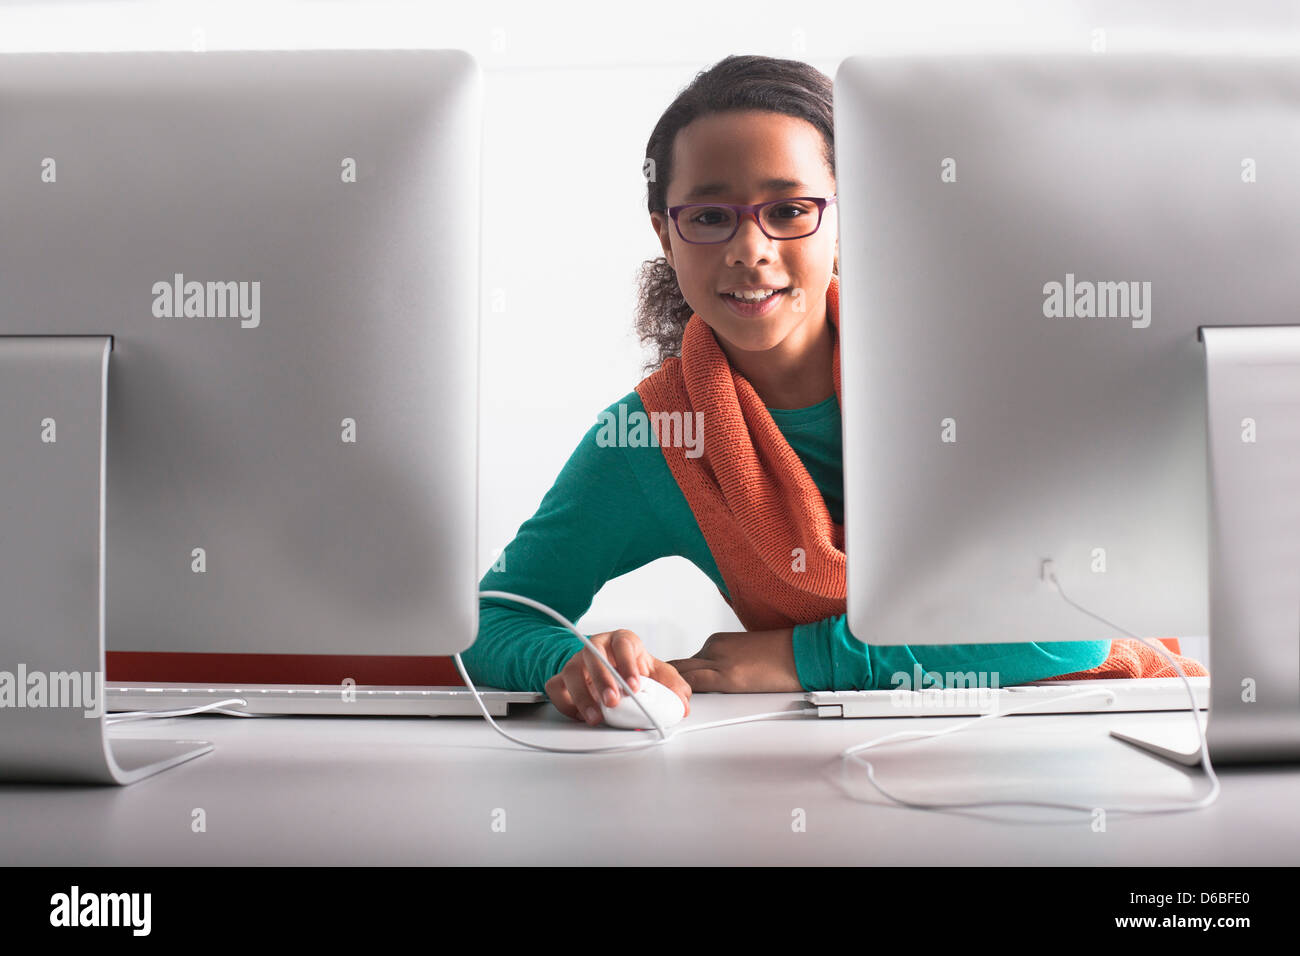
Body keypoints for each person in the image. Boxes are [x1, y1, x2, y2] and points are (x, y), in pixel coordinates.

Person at [460, 54, 1116, 727]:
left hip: (1083, 733)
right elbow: (491, 619)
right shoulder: (653, 437)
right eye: (711, 217)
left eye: (790, 209)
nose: (750, 248)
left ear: (842, 219)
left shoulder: (956, 385)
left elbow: (1079, 621)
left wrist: (800, 659)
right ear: (665, 233)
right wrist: (576, 662)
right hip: (824, 764)